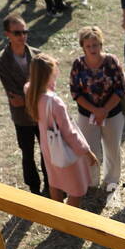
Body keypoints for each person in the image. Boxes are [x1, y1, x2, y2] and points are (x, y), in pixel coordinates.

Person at [25, 51, 97, 207]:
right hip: (63, 147)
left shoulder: (30, 91)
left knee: (54, 181)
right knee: (76, 190)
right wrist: (87, 152)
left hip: (48, 147)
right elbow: (69, 133)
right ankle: (69, 220)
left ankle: (57, 216)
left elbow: (31, 83)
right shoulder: (55, 102)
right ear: (48, 74)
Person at [69, 26, 125, 195]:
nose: (93, 49)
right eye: (89, 46)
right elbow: (75, 92)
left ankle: (112, 179)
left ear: (101, 44)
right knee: (89, 149)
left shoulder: (112, 62)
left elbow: (120, 88)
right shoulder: (78, 65)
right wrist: (95, 110)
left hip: (113, 114)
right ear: (83, 47)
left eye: (96, 45)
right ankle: (91, 181)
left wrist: (104, 110)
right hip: (87, 115)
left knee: (112, 148)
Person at [0, 15, 46, 196]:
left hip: (40, 114)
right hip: (22, 117)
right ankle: (33, 188)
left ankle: (50, 185)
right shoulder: (1, 61)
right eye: (17, 32)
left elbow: (43, 87)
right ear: (7, 34)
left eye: (25, 31)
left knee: (46, 151)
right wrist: (35, 97)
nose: (22, 36)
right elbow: (13, 96)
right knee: (28, 154)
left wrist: (28, 99)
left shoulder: (38, 55)